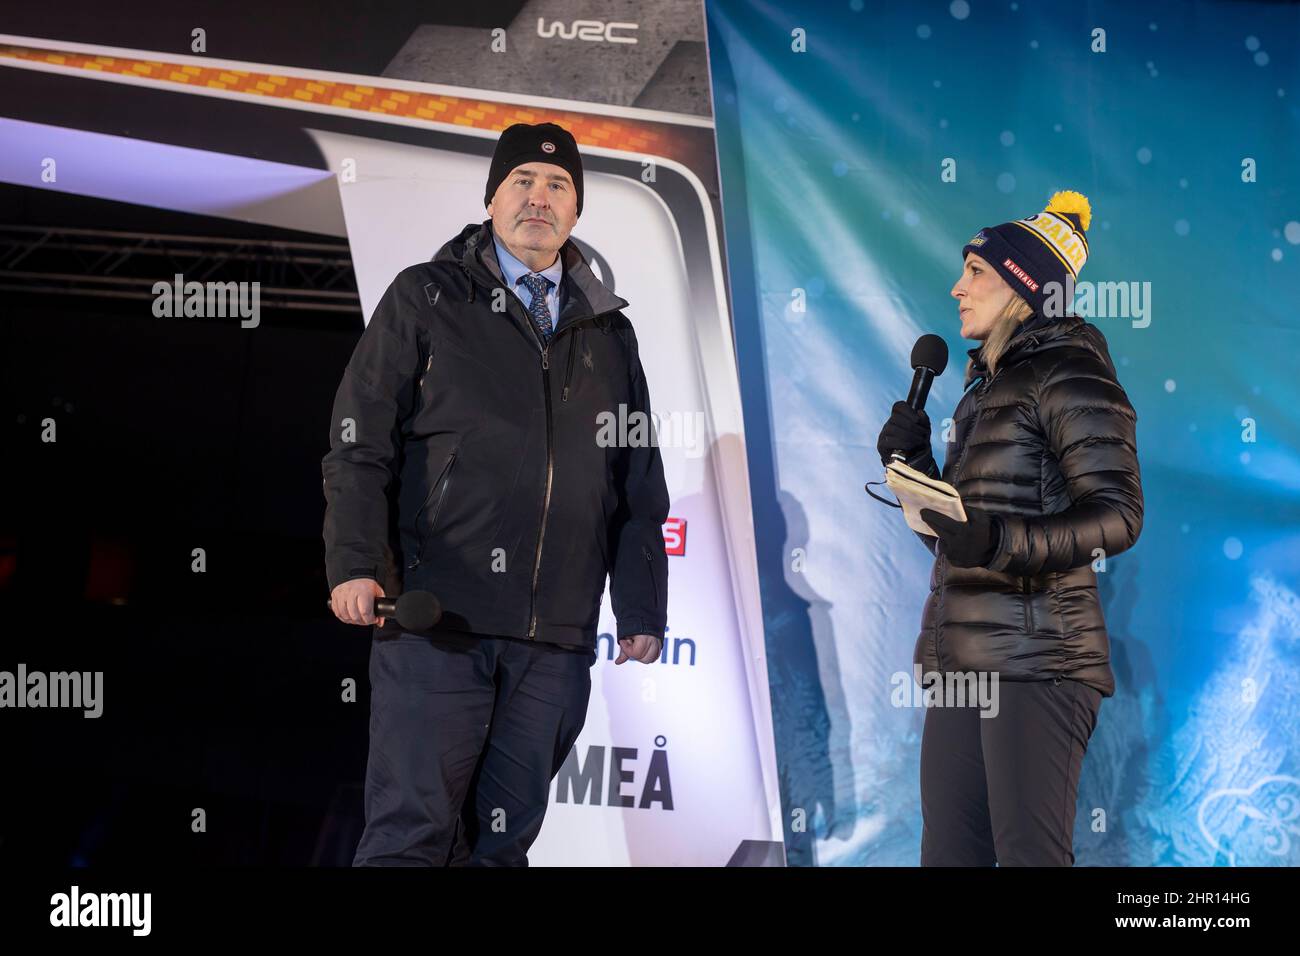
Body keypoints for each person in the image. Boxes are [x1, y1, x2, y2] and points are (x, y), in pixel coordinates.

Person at [321, 121, 669, 866]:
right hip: (434, 619)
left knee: (501, 850)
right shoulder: (427, 296)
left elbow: (638, 482)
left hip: (554, 642)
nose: (538, 198)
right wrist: (354, 560)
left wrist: (641, 606)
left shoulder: (611, 333)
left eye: (557, 186)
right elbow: (359, 442)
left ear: (576, 212)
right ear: (491, 198)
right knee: (410, 838)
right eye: (522, 182)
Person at [876, 190, 1143, 866]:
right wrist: (912, 465)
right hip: (964, 660)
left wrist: (1000, 541)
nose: (956, 287)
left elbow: (1118, 515)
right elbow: (966, 538)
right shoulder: (984, 388)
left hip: (1040, 662)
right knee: (950, 857)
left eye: (976, 272)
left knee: (1029, 856)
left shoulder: (1070, 371)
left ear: (1025, 287)